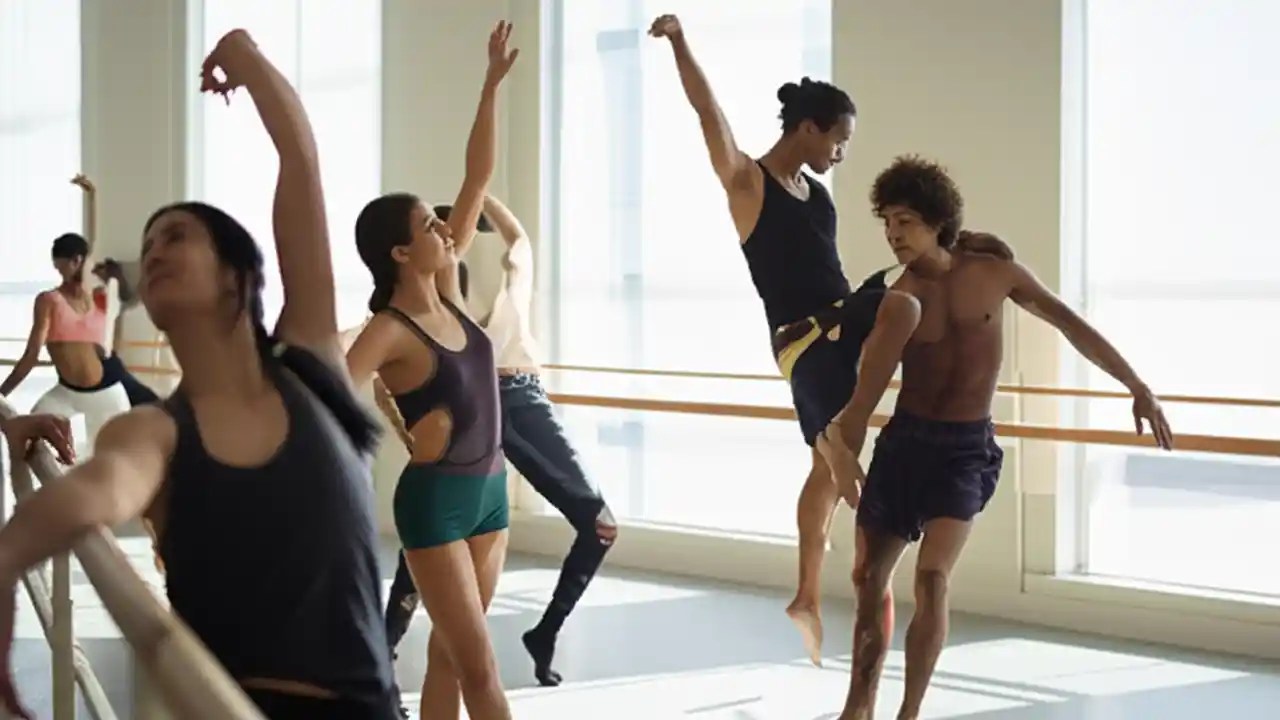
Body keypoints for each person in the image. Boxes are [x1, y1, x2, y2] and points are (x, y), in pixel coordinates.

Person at [0, 29, 399, 719]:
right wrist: (6, 562)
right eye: (148, 244)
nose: (153, 251)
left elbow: (300, 163)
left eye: (176, 236)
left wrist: (242, 56)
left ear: (237, 276)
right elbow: (96, 491)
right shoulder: (152, 431)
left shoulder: (309, 363)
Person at [649, 12, 1009, 665]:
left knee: (919, 279)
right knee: (838, 458)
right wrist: (679, 42)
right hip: (803, 339)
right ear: (807, 129)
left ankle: (808, 596)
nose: (841, 152)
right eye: (839, 139)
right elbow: (709, 115)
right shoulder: (748, 183)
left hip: (848, 311)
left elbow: (856, 272)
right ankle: (855, 564)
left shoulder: (817, 194)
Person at [825, 155, 1173, 720]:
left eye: (905, 220)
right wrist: (842, 456)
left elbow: (1070, 323)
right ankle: (858, 704)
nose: (893, 234)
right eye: (886, 221)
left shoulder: (993, 273)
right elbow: (865, 396)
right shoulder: (899, 302)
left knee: (933, 577)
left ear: (938, 221)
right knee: (868, 579)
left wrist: (1136, 384)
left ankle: (907, 712)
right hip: (905, 445)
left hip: (964, 450)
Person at [345, 20, 518, 720]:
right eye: (428, 226)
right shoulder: (390, 330)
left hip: (492, 491)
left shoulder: (450, 290)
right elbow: (332, 394)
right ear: (397, 253)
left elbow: (477, 175)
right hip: (437, 503)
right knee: (480, 666)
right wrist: (399, 420)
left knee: (451, 655)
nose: (446, 230)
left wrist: (490, 84)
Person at [380, 195, 618, 690]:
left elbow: (520, 241)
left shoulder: (512, 288)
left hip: (522, 401)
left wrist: (479, 198)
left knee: (600, 526)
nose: (449, 237)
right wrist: (411, 436)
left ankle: (545, 632)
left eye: (454, 229)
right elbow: (385, 381)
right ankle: (382, 654)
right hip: (476, 407)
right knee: (434, 541)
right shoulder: (438, 313)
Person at [0, 228, 132, 448]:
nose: (76, 265)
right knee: (31, 441)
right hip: (66, 393)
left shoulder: (101, 297)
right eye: (69, 261)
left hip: (107, 392)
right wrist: (2, 394)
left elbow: (125, 298)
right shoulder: (49, 300)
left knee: (111, 453)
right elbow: (32, 354)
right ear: (58, 265)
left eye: (80, 259)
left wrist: (115, 276)